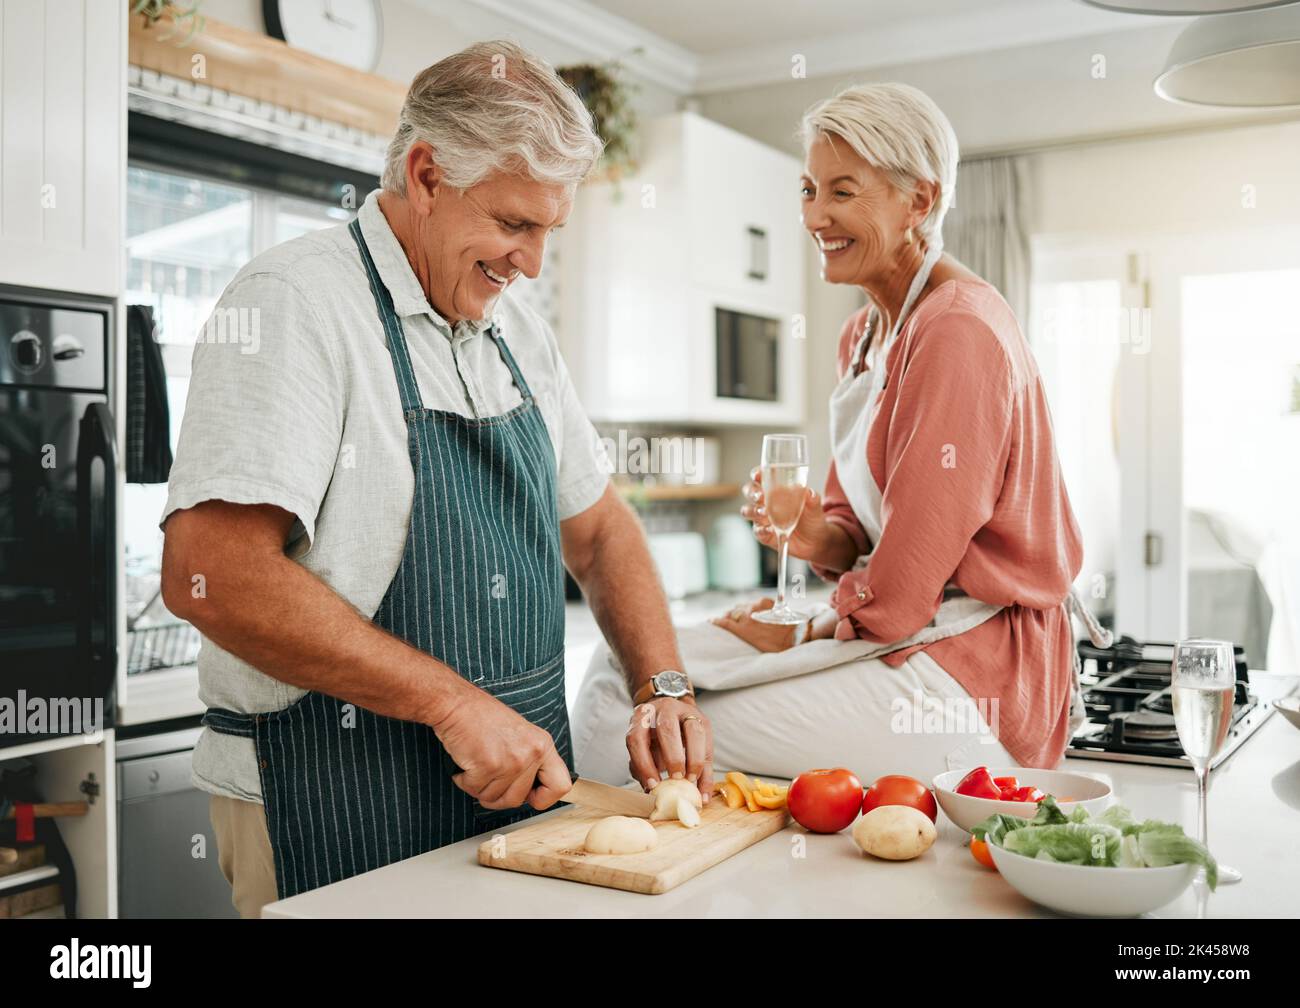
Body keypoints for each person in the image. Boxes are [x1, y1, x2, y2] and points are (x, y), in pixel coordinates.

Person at [161, 41, 712, 918]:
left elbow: (601, 531)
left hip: (518, 804)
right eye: (512, 224)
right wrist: (451, 704)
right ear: (425, 173)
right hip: (330, 796)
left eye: (547, 232)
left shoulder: (518, 333)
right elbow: (213, 575)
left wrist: (663, 683)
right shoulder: (294, 303)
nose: (530, 262)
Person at [574, 83, 1104, 789]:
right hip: (907, 639)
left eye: (843, 193)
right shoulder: (865, 335)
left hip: (973, 683)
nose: (815, 216)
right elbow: (855, 534)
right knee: (633, 672)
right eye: (808, 189)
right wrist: (808, 530)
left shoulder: (957, 332)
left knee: (642, 724)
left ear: (920, 201)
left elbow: (903, 591)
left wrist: (799, 627)